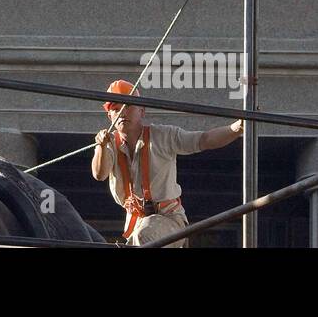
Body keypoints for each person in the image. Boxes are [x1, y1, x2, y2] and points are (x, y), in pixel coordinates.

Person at [90, 79, 243, 247]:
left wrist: (238, 128)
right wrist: (101, 147)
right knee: (141, 236)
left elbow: (204, 140)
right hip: (137, 225)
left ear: (142, 111)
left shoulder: (163, 136)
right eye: (116, 109)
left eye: (128, 107)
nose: (123, 113)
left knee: (145, 236)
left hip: (169, 221)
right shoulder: (109, 145)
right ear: (109, 116)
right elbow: (99, 174)